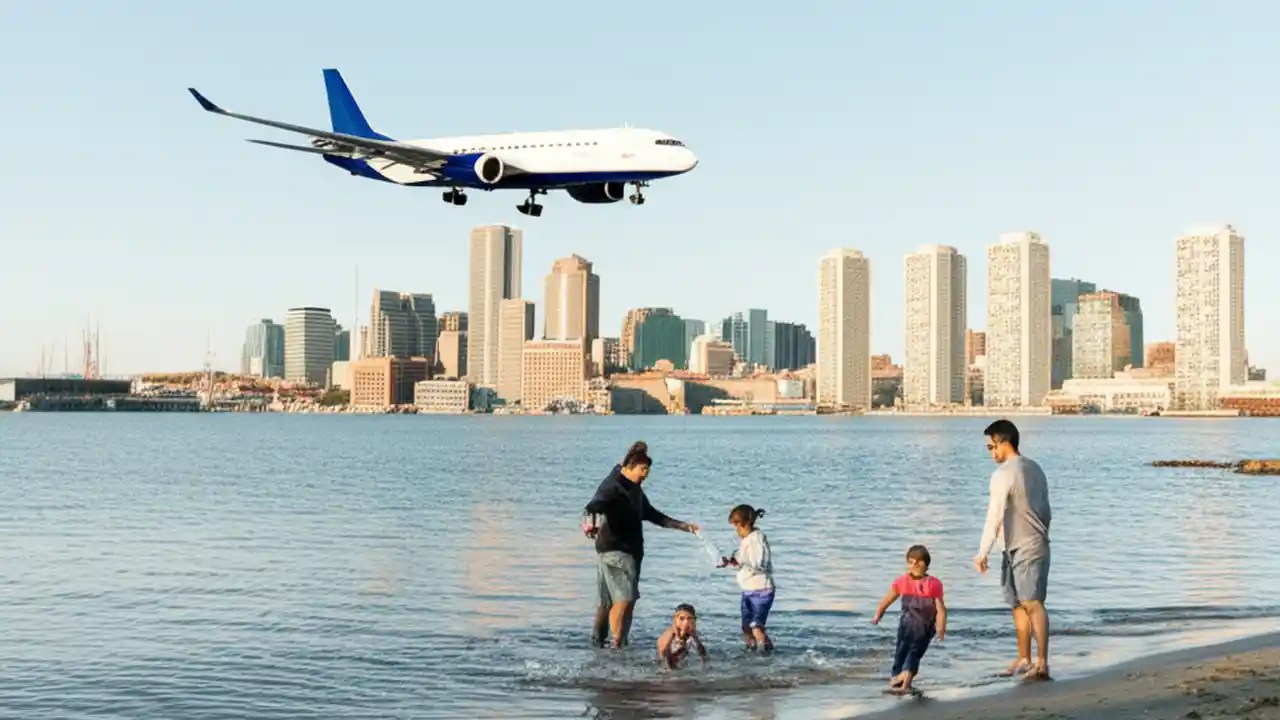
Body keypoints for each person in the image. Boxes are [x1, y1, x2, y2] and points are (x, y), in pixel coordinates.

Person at [583, 441, 700, 648]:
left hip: (614, 550)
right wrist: (590, 518)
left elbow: (651, 514)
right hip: (619, 551)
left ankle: (598, 642)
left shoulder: (634, 489)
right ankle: (617, 644)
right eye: (642, 469)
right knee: (626, 599)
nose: (645, 474)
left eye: (647, 470)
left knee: (608, 601)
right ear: (629, 467)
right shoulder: (614, 486)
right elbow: (597, 502)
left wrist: (682, 526)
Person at [973, 419, 1053, 681]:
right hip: (1016, 547)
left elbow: (994, 514)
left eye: (990, 446)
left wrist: (982, 552)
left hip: (1027, 546)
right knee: (1017, 604)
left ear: (1002, 442)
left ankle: (1042, 661)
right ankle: (1024, 657)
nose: (990, 452)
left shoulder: (1004, 473)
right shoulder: (1036, 468)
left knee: (1032, 603)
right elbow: (1046, 509)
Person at [872, 545, 947, 694]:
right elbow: (888, 599)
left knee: (915, 652)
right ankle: (897, 679)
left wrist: (940, 627)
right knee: (901, 650)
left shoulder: (933, 584)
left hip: (925, 625)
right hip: (906, 624)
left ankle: (904, 683)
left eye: (918, 563)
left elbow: (941, 609)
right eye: (911, 562)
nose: (913, 566)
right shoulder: (902, 581)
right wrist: (878, 613)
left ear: (925, 565)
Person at [719, 504, 775, 652]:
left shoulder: (757, 538)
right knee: (747, 627)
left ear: (745, 524)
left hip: (761, 590)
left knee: (756, 627)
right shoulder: (746, 540)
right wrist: (733, 562)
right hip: (748, 589)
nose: (736, 530)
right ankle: (761, 649)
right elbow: (744, 563)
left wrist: (740, 562)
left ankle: (762, 657)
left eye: (737, 526)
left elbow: (759, 563)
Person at [656, 603, 708, 669]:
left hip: (677, 654)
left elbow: (702, 650)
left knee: (684, 650)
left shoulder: (691, 629)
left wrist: (704, 663)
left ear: (694, 619)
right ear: (675, 619)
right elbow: (663, 654)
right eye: (681, 618)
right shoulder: (670, 634)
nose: (686, 622)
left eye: (689, 618)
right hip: (664, 657)